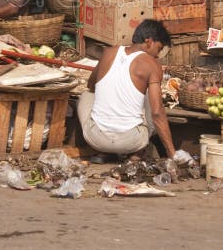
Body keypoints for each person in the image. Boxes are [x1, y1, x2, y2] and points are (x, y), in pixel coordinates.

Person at [77, 19, 182, 159]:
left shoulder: (108, 52)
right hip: (132, 142)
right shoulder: (152, 64)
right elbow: (157, 113)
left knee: (86, 95)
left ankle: (104, 151)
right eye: (158, 49)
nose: (157, 55)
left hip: (95, 139)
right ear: (149, 41)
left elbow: (91, 85)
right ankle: (136, 153)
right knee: (151, 100)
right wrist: (172, 154)